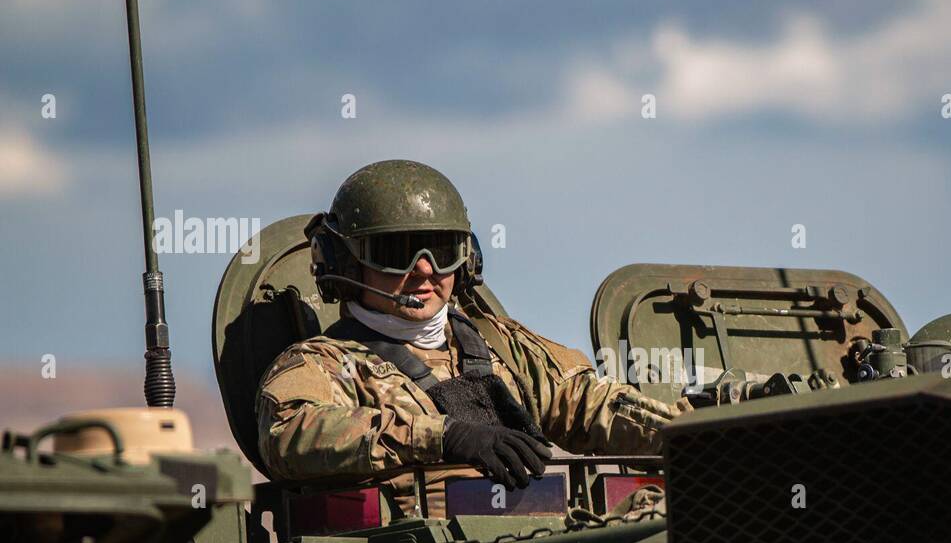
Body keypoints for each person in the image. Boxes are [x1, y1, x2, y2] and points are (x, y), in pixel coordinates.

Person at [255, 159, 689, 518]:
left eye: (440, 253)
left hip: (546, 539)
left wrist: (689, 434)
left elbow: (588, 403)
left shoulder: (500, 345)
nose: (425, 270)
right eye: (396, 253)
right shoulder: (321, 364)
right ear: (345, 264)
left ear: (466, 262)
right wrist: (441, 436)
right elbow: (288, 434)